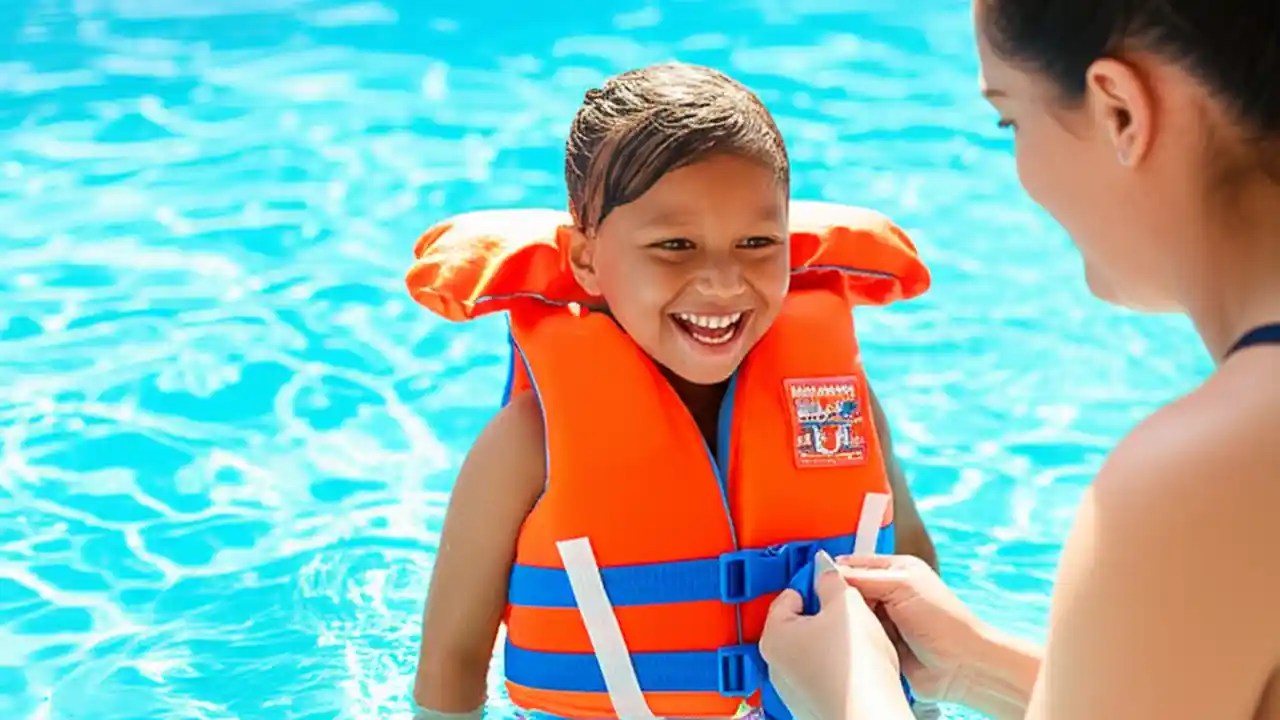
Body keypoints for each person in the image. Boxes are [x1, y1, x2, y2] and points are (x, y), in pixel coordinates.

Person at [758, 0, 1280, 718]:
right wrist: (980, 669)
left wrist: (848, 693)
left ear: (1120, 110)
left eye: (1011, 119)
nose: (1021, 171)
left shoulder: (1201, 476)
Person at [403, 62, 940, 719]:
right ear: (585, 259)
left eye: (756, 242)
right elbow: (452, 660)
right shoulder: (527, 443)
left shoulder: (835, 409)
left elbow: (912, 589)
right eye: (675, 245)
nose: (722, 281)